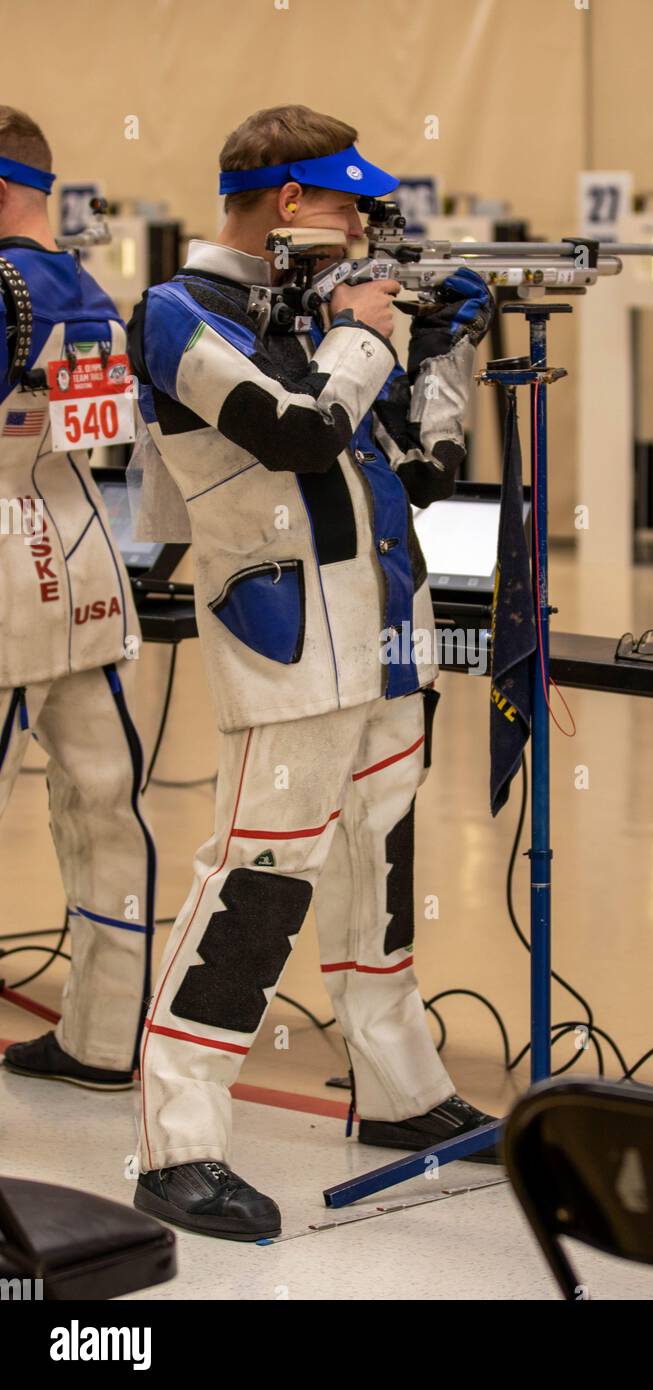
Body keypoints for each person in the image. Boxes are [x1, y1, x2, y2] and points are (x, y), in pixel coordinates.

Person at [127, 103, 497, 1241]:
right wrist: (370, 332)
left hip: (385, 634)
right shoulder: (177, 314)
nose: (362, 224)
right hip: (290, 650)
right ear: (289, 202)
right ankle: (178, 1143)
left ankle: (396, 1083)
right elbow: (292, 429)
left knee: (373, 868)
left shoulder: (317, 309)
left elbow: (422, 469)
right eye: (347, 202)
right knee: (254, 887)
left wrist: (444, 352)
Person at [0, 106, 155, 1089]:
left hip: (2, 572)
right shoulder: (94, 292)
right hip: (84, 562)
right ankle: (103, 1038)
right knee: (107, 805)